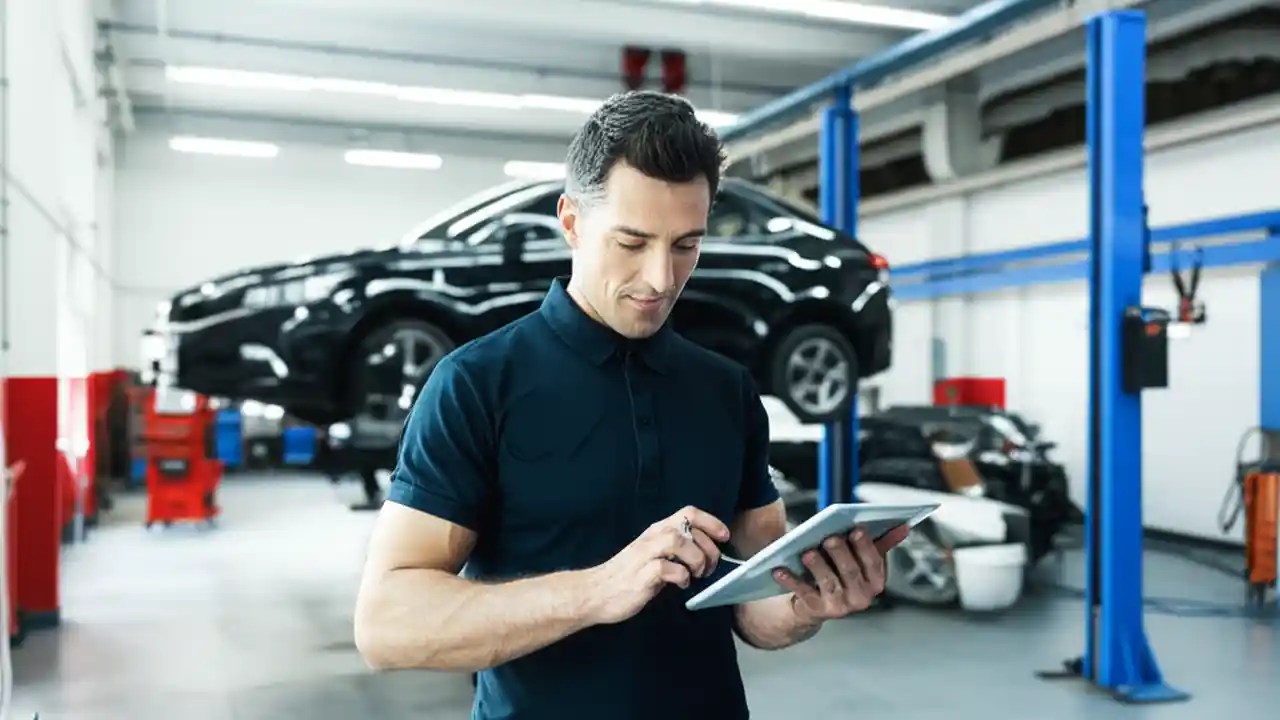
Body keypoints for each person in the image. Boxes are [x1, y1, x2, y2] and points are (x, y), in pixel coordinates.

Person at [353, 90, 911, 719]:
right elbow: (386, 625)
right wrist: (597, 591)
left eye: (685, 245)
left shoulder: (727, 392)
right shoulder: (475, 385)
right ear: (571, 222)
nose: (660, 278)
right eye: (632, 241)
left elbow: (755, 607)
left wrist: (809, 603)